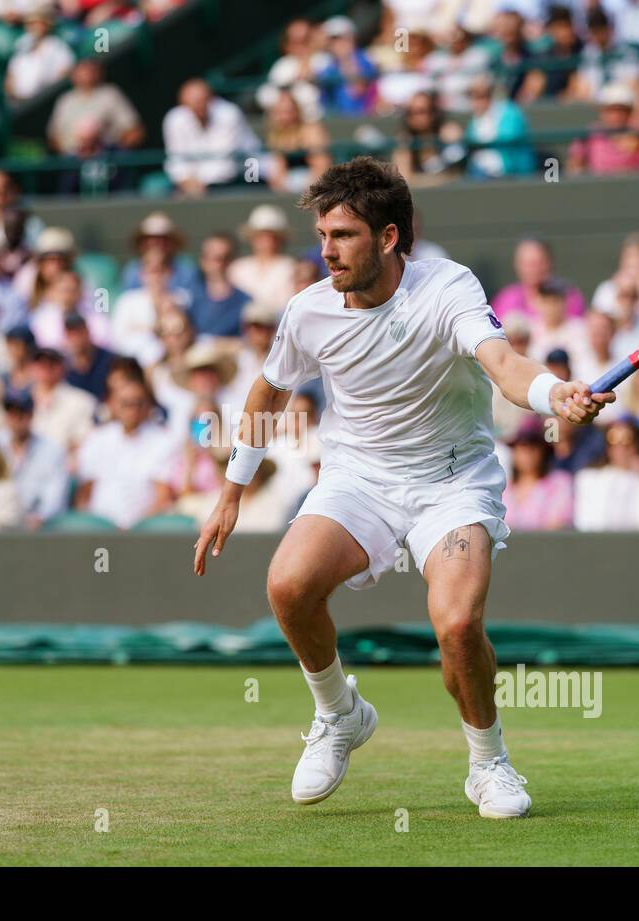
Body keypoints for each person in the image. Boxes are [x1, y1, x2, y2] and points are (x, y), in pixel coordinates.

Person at [191, 157, 614, 817]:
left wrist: (553, 392)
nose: (326, 251)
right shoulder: (308, 311)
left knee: (456, 624)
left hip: (451, 482)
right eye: (323, 236)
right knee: (288, 585)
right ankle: (340, 714)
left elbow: (502, 364)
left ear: (389, 238)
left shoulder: (448, 288)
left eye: (344, 236)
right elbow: (269, 390)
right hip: (358, 479)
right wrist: (231, 490)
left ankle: (488, 762)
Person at [75, 375, 178, 528]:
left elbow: (163, 497)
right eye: (126, 404)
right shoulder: (97, 439)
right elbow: (84, 493)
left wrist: (133, 530)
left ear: (148, 406)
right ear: (113, 405)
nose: (132, 410)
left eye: (138, 403)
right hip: (98, 529)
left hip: (144, 531)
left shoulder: (163, 441)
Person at [163, 77, 262, 197]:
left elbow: (225, 163)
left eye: (202, 101)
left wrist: (197, 187)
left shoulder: (229, 114)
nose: (199, 108)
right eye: (193, 105)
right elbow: (176, 160)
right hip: (199, 184)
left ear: (211, 99)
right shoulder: (175, 119)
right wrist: (187, 182)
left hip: (251, 169)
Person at [574, 418, 639, 530]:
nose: (620, 447)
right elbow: (587, 524)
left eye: (627, 439)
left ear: (638, 444)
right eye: (612, 439)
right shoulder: (588, 478)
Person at [0, 387, 69, 530]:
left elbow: (55, 499)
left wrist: (39, 519)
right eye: (11, 413)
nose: (16, 419)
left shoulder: (51, 450)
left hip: (37, 528)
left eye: (21, 413)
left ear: (31, 415)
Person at [501, 417, 574, 530]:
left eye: (533, 447)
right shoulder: (503, 488)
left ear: (543, 450)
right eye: (522, 447)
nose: (527, 454)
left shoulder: (559, 482)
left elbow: (558, 525)